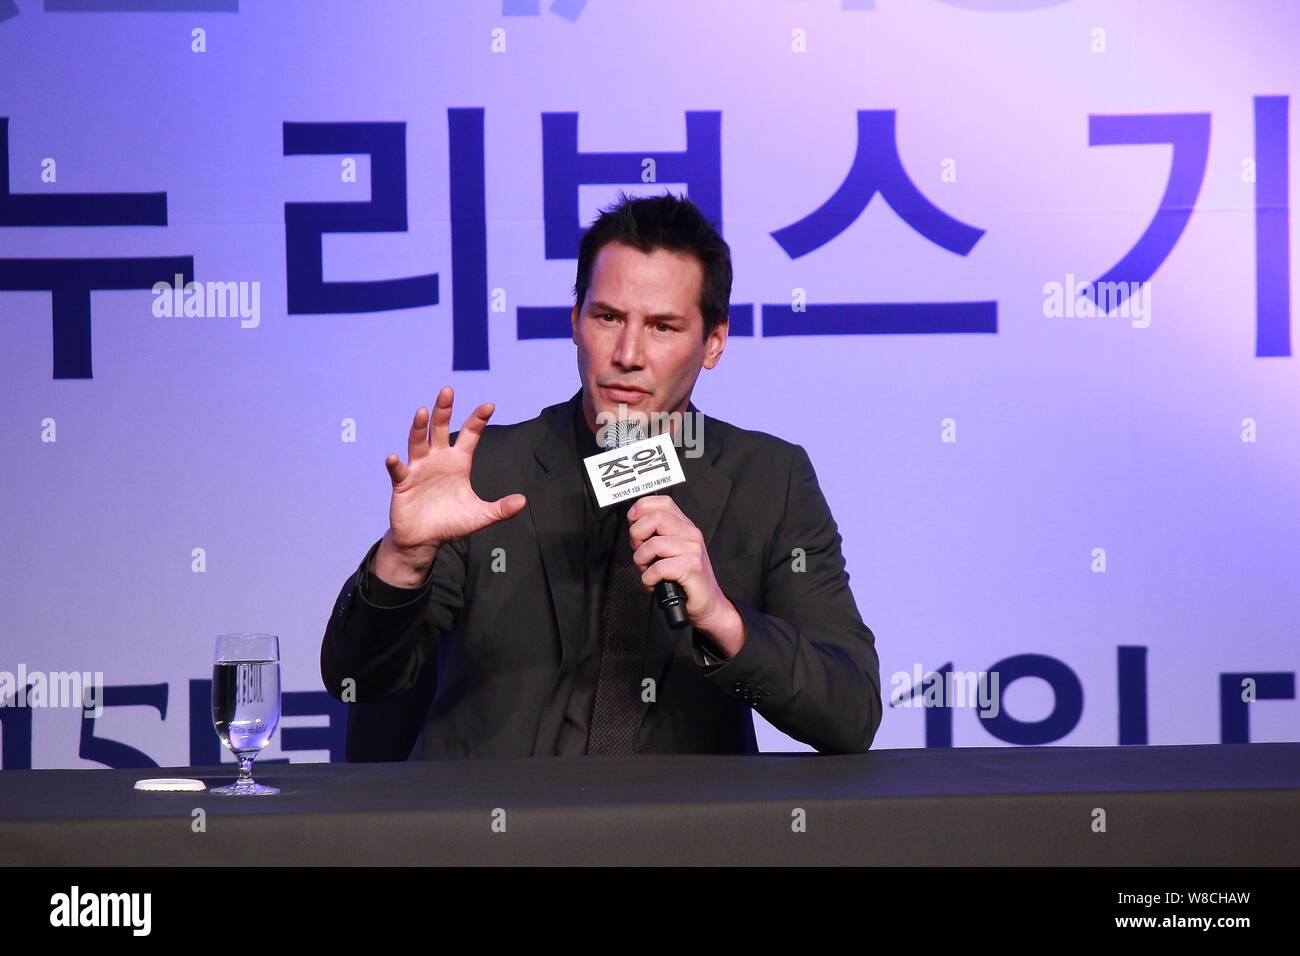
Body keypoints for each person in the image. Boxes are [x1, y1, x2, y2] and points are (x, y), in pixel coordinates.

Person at [321, 192, 882, 758]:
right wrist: (402, 559)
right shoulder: (486, 471)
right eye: (608, 317)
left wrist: (721, 617)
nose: (628, 353)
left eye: (663, 327)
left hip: (681, 838)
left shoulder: (769, 481)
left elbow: (850, 714)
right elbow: (358, 683)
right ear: (574, 322)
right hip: (494, 835)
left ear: (713, 342)